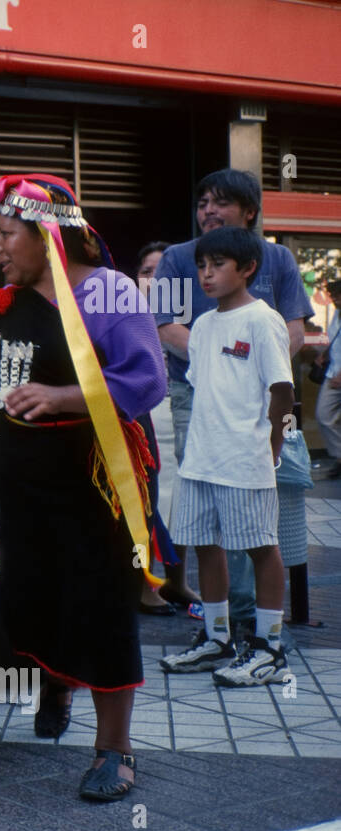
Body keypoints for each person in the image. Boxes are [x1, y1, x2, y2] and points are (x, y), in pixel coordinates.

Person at [0, 173, 166, 800]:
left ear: (48, 235)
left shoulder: (108, 293)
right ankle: (55, 681)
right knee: (32, 594)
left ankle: (115, 750)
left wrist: (65, 394)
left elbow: (146, 378)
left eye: (5, 234)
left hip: (92, 480)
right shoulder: (8, 301)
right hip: (22, 479)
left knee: (99, 606)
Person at [151, 169, 311, 626]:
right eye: (202, 202)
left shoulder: (277, 258)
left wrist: (251, 370)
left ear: (250, 212)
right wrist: (217, 365)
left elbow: (294, 328)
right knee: (205, 509)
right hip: (192, 395)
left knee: (251, 509)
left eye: (220, 202)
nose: (208, 211)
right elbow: (166, 326)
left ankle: (255, 622)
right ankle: (220, 626)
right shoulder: (178, 258)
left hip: (259, 399)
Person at [159, 228, 294, 685]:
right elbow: (206, 387)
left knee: (260, 547)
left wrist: (270, 450)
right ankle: (218, 640)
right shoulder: (203, 326)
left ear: (248, 268)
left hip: (245, 459)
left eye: (218, 264)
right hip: (200, 459)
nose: (206, 274)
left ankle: (270, 649)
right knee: (205, 545)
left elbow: (282, 392)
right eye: (202, 265)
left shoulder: (263, 319)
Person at [135, 242, 183, 617]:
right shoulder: (122, 312)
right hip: (142, 419)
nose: (154, 279)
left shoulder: (187, 313)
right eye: (148, 271)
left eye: (162, 272)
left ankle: (177, 581)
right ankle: (146, 585)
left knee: (180, 502)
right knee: (147, 502)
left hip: (181, 415)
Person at [315, 279, 341, 479]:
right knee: (324, 416)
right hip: (333, 373)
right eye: (333, 295)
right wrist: (326, 354)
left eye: (337, 295)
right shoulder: (336, 315)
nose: (334, 299)